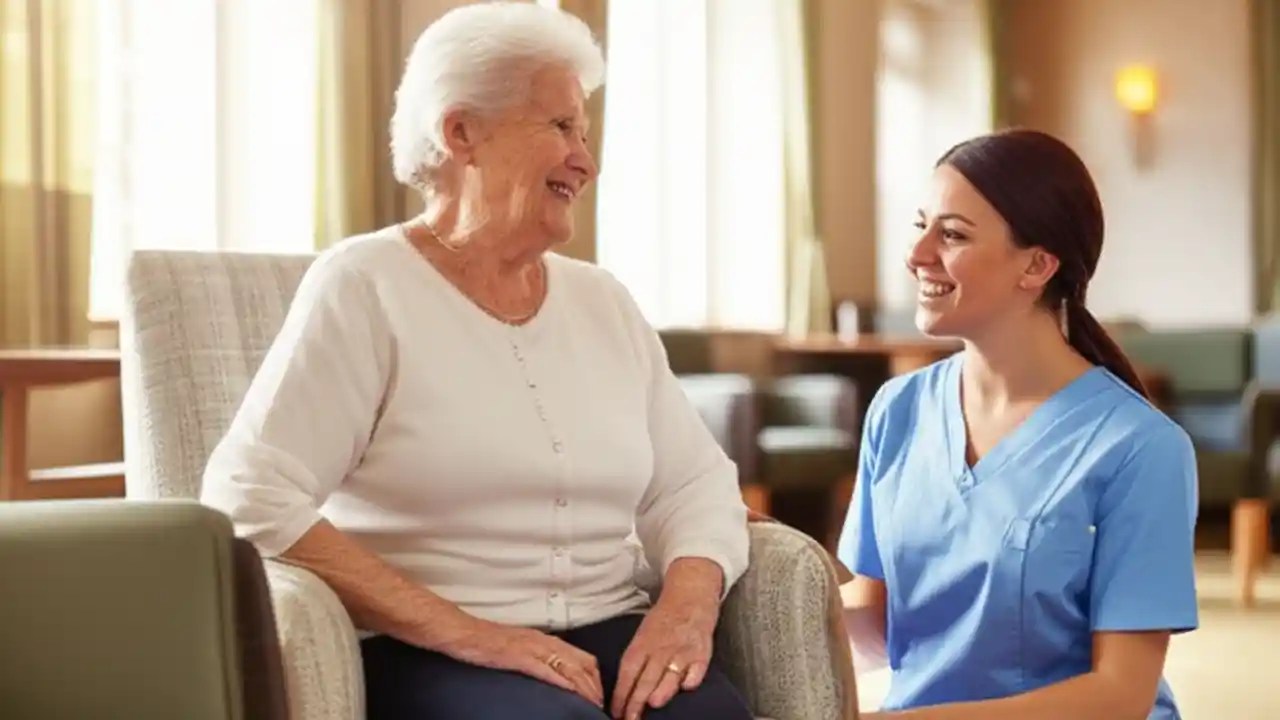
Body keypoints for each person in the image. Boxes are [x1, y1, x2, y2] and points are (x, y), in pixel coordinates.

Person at [199, 4, 753, 720]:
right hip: (430, 649)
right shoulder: (366, 286)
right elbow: (248, 494)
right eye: (560, 127)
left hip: (610, 626)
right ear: (461, 132)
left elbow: (695, 485)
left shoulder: (603, 301)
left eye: (584, 132)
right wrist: (478, 636)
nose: (587, 160)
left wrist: (684, 607)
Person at [838, 129, 1199, 720]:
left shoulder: (1140, 449)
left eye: (951, 234)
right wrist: (769, 572)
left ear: (1037, 264)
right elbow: (878, 628)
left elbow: (1121, 697)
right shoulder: (897, 411)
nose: (917, 254)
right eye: (920, 224)